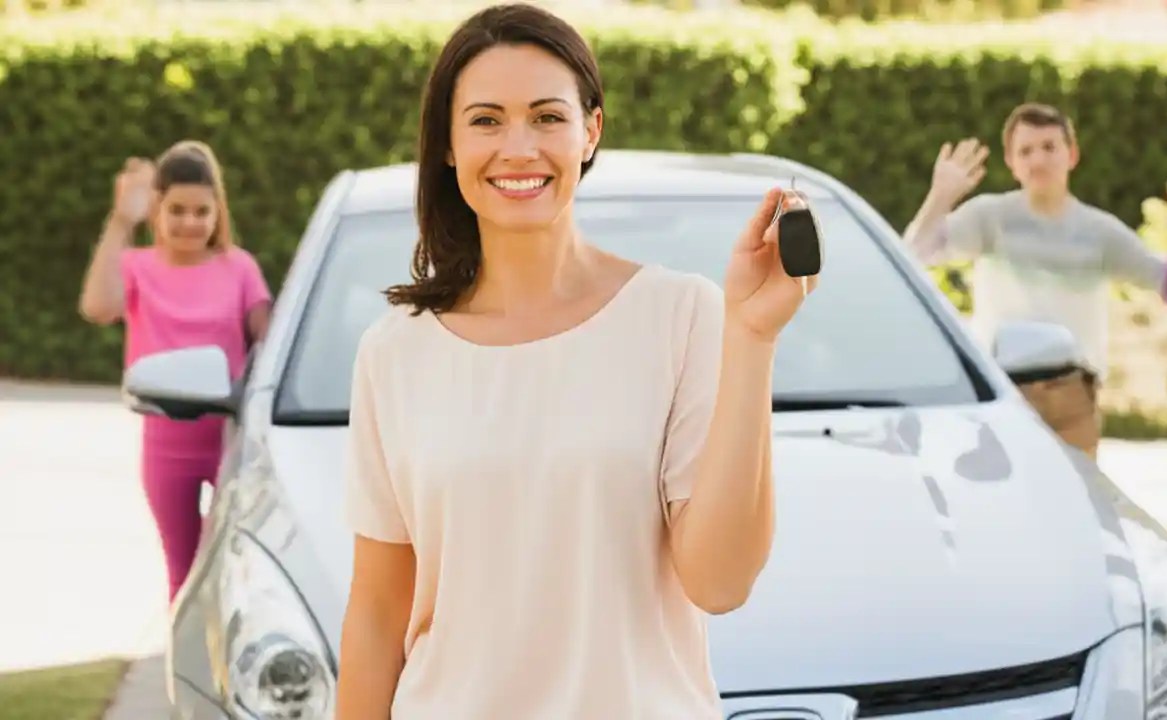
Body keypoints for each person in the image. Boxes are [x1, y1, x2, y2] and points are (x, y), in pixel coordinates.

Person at [334, 4, 818, 719]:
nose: (519, 146)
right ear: (447, 143)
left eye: (547, 117)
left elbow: (720, 583)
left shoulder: (679, 315)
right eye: (486, 120)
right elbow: (377, 612)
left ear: (591, 130)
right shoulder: (394, 352)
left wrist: (752, 338)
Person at [902, 102, 1167, 458]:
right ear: (1012, 163)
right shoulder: (990, 217)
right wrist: (941, 196)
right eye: (1025, 151)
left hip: (1073, 399)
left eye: (1049, 147)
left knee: (1074, 508)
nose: (1038, 160)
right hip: (1003, 392)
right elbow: (912, 258)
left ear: (1072, 155)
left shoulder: (1100, 232)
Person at [78, 140, 273, 601]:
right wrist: (121, 219)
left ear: (217, 212)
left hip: (230, 441)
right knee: (182, 574)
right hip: (166, 447)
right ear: (156, 210)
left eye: (201, 212)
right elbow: (97, 306)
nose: (190, 222)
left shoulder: (239, 267)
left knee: (241, 567)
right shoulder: (136, 267)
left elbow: (271, 337)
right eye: (177, 210)